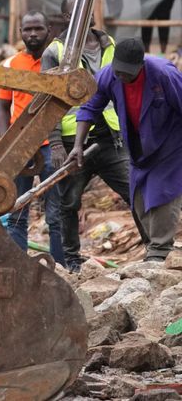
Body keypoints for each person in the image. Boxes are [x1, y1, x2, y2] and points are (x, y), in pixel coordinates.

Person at [70, 38, 182, 262]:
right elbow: (89, 108)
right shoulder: (107, 75)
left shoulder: (163, 74)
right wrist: (77, 145)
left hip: (170, 143)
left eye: (128, 73)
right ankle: (152, 246)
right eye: (119, 71)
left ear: (141, 65)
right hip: (138, 144)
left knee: (162, 193)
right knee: (138, 196)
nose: (122, 76)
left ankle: (160, 250)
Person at [41, 0, 130, 271]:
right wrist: (56, 144)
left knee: (135, 191)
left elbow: (123, 89)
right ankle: (72, 262)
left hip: (111, 137)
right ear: (67, 18)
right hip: (72, 142)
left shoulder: (109, 43)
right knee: (68, 204)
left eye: (89, 8)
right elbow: (47, 101)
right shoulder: (54, 52)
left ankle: (155, 251)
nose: (88, 13)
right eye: (80, 10)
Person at [0, 12, 63, 264]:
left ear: (49, 30)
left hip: (51, 146)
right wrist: (7, 144)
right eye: (27, 29)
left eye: (38, 28)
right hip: (20, 146)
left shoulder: (58, 61)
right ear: (20, 32)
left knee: (56, 213)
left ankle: (61, 266)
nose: (32, 34)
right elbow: (3, 108)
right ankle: (19, 265)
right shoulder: (11, 64)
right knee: (16, 211)